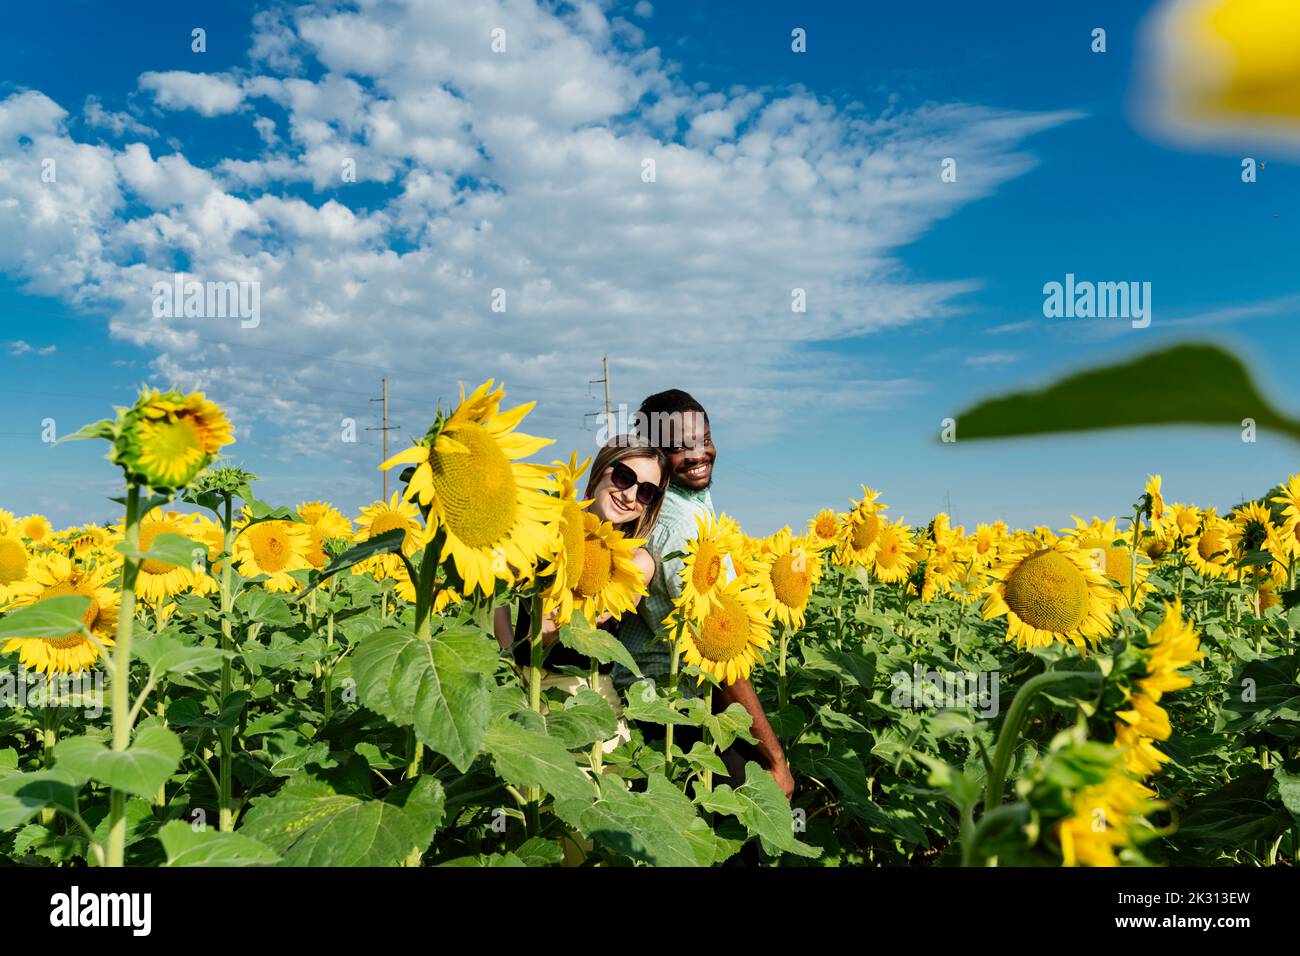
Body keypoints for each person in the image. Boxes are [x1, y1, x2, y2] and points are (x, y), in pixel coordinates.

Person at [614, 389, 795, 800]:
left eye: (703, 439)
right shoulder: (681, 529)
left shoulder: (680, 503)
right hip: (678, 708)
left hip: (669, 702)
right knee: (742, 825)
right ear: (655, 453)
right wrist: (774, 757)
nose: (698, 454)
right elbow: (720, 652)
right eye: (679, 446)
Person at [493, 435, 669, 726]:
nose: (629, 496)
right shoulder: (549, 523)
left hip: (584, 699)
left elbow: (560, 630)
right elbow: (500, 578)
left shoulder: (635, 563)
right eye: (625, 478)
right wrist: (508, 648)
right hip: (519, 685)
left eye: (646, 492)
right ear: (601, 470)